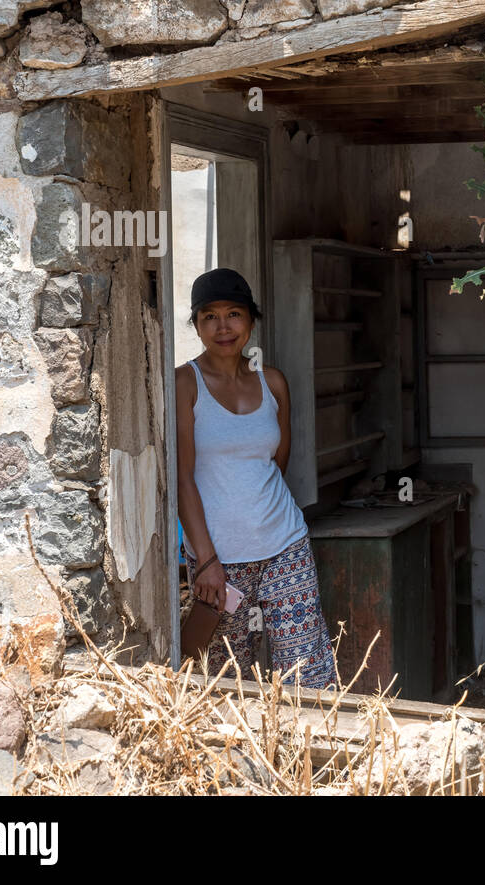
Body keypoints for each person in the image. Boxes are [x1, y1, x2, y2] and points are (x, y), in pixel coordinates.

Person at [176, 267, 338, 689]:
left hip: (285, 545)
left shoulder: (274, 383)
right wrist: (206, 561)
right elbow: (182, 477)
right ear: (196, 324)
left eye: (234, 313)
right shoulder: (183, 383)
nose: (223, 326)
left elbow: (275, 464)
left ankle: (306, 753)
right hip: (219, 562)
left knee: (308, 675)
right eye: (209, 316)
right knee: (224, 677)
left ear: (250, 320)